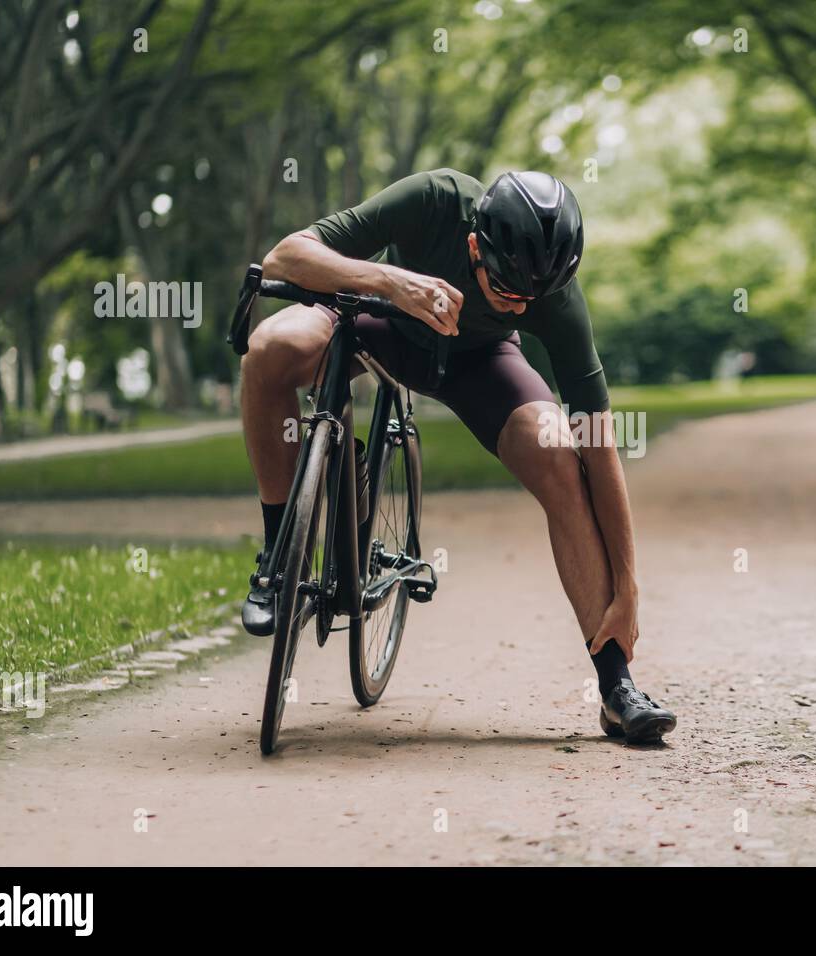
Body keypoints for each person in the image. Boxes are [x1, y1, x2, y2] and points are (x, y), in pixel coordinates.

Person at [238, 168, 676, 745]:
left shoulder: (553, 296)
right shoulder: (435, 200)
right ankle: (277, 555)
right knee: (269, 348)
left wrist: (629, 587)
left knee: (561, 457)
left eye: (532, 297)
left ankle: (617, 687)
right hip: (379, 318)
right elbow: (284, 257)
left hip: (479, 362)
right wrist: (395, 283)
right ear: (475, 244)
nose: (519, 305)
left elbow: (600, 443)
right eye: (505, 289)